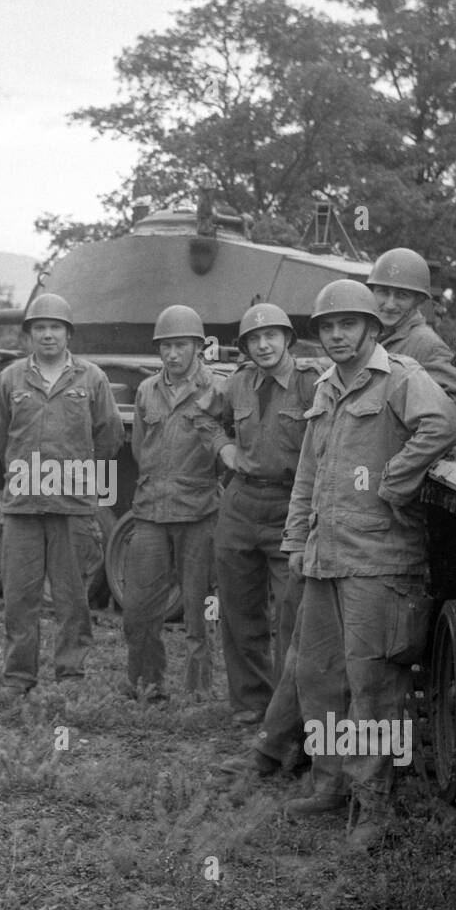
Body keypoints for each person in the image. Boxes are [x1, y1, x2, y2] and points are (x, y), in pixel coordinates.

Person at [282, 280, 456, 850]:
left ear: (368, 328)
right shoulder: (325, 386)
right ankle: (329, 781)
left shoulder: (402, 376)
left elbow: (447, 424)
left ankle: (374, 807)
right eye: (327, 327)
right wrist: (295, 539)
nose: (337, 336)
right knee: (318, 677)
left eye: (348, 325)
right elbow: (309, 473)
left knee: (373, 687)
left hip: (380, 560)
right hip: (325, 557)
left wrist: (396, 477)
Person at [0, 292, 123, 695]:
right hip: (23, 504)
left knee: (72, 598)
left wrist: (77, 473)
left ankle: (71, 676)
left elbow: (110, 435)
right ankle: (18, 677)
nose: (48, 335)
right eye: (40, 328)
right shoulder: (10, 378)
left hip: (72, 504)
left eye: (55, 328)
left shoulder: (91, 378)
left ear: (68, 334)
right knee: (19, 598)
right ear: (30, 334)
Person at [201, 303, 319, 726]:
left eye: (271, 336)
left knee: (294, 611)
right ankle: (251, 703)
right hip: (241, 502)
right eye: (254, 339)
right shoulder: (237, 384)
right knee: (238, 609)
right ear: (246, 347)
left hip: (291, 506)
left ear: (288, 339)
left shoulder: (311, 384)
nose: (263, 345)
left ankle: (289, 712)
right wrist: (224, 449)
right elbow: (206, 419)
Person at [122, 304, 226, 701]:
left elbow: (228, 448)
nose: (171, 354)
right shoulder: (147, 389)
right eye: (165, 346)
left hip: (198, 511)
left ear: (198, 346)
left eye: (180, 345)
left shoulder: (218, 389)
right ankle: (147, 684)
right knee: (138, 608)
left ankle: (198, 692)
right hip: (150, 511)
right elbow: (139, 448)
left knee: (199, 610)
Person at [368, 247, 456, 419]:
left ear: (419, 301)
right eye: (383, 292)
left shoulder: (426, 344)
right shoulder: (375, 337)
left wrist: (406, 420)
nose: (390, 304)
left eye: (402, 295)